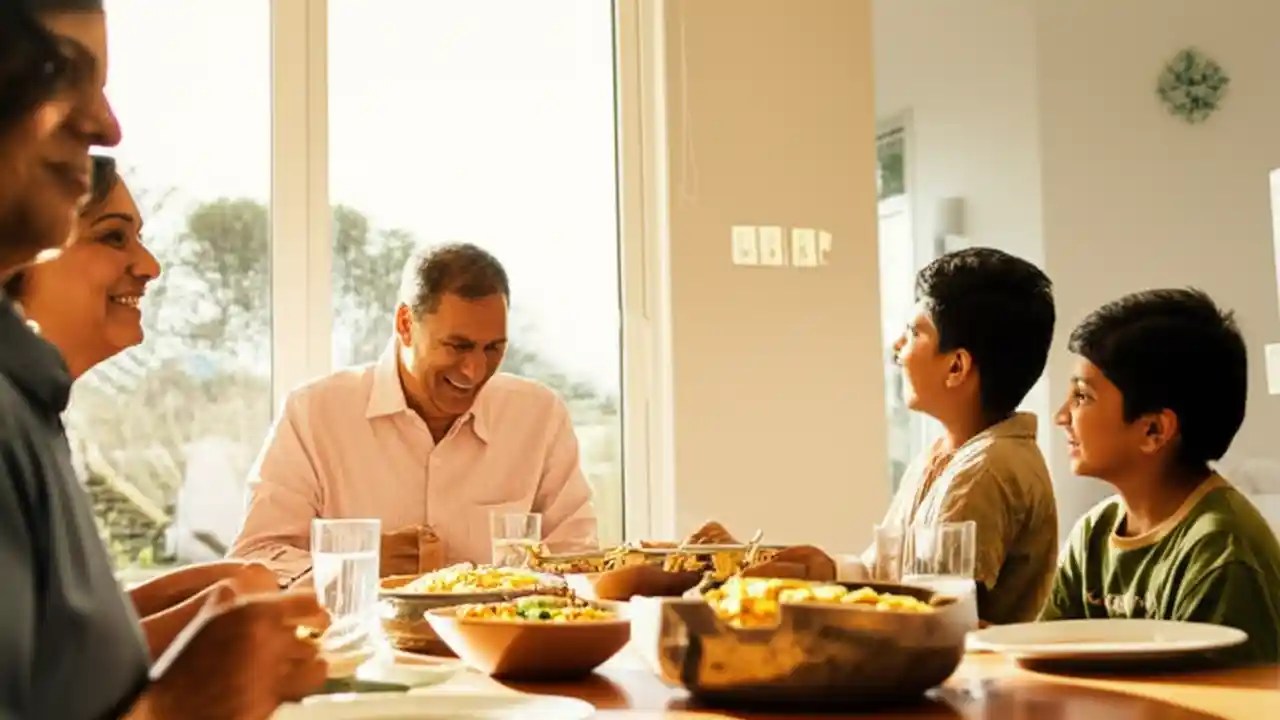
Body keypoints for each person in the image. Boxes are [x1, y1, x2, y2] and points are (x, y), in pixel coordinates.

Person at [0, 2, 325, 717]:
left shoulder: (30, 407)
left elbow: (61, 665)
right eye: (63, 74)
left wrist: (210, 604)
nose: (107, 125)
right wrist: (185, 700)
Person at [6, 157, 281, 660]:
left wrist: (220, 592)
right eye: (113, 237)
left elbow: (57, 635)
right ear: (23, 252)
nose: (150, 266)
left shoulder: (37, 413)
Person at [231, 242, 599, 583]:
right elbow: (255, 558)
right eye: (458, 346)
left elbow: (579, 559)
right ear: (406, 324)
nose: (474, 370)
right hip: (354, 649)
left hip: (504, 650)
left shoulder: (539, 416)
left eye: (493, 348)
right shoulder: (313, 414)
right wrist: (361, 561)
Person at [1040, 289, 1280, 665]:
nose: (1061, 416)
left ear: (1154, 430)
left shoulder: (1220, 552)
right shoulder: (1094, 534)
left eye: (1082, 397)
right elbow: (1045, 659)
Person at [863, 247, 1059, 624]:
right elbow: (877, 578)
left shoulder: (987, 469)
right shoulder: (940, 455)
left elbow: (927, 614)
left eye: (913, 332)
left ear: (957, 366)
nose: (898, 348)